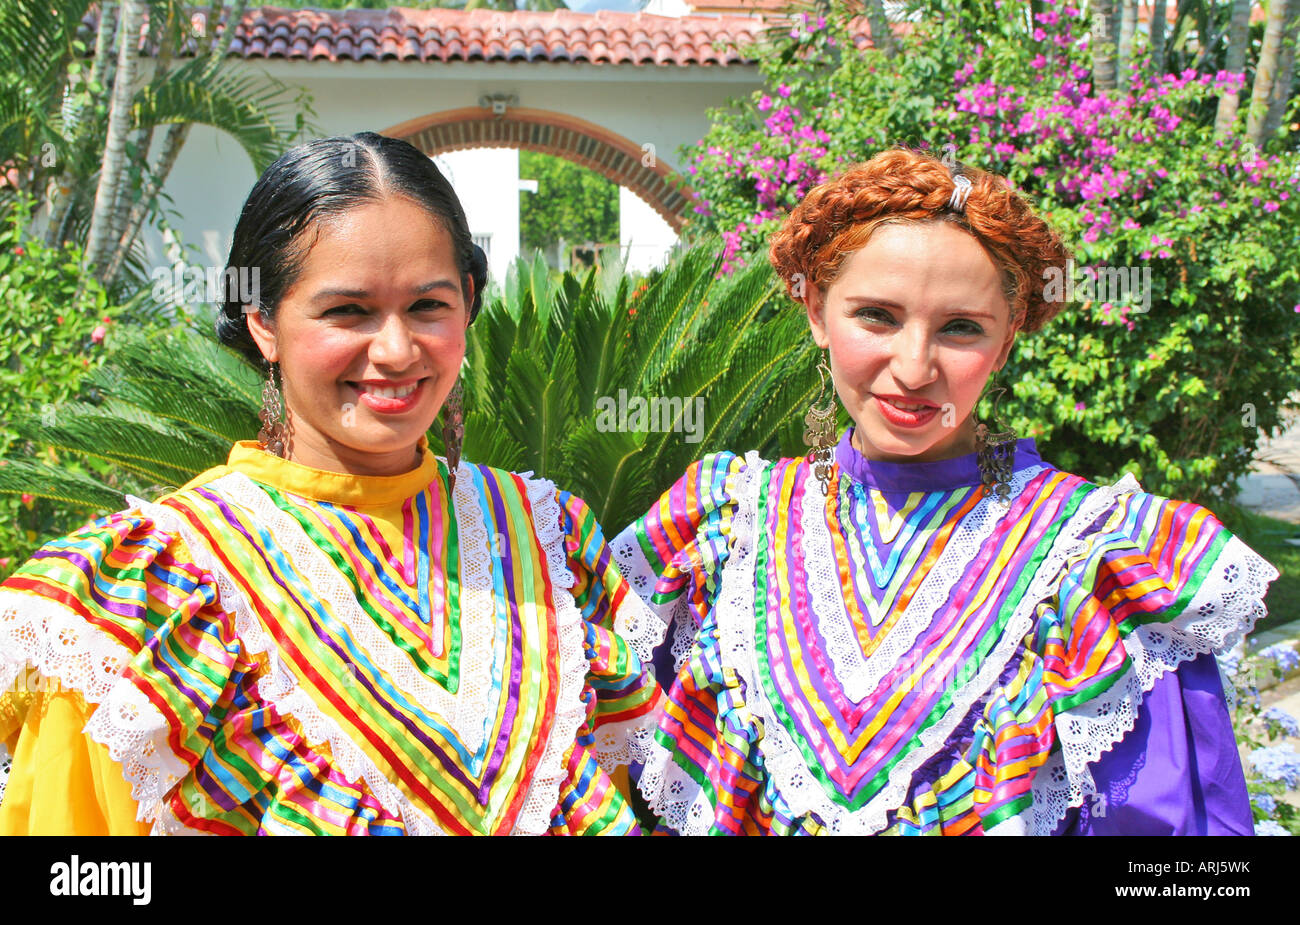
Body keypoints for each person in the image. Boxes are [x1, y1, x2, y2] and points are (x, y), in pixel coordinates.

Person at [0, 133, 659, 835]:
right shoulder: (153, 589)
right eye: (347, 311)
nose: (396, 350)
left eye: (428, 305)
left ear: (468, 300)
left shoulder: (547, 542)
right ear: (263, 320)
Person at [610, 148, 1277, 835]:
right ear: (816, 310)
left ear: (1007, 340)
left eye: (961, 327)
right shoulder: (720, 525)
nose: (914, 367)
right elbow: (602, 758)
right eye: (877, 315)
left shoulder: (1100, 558)